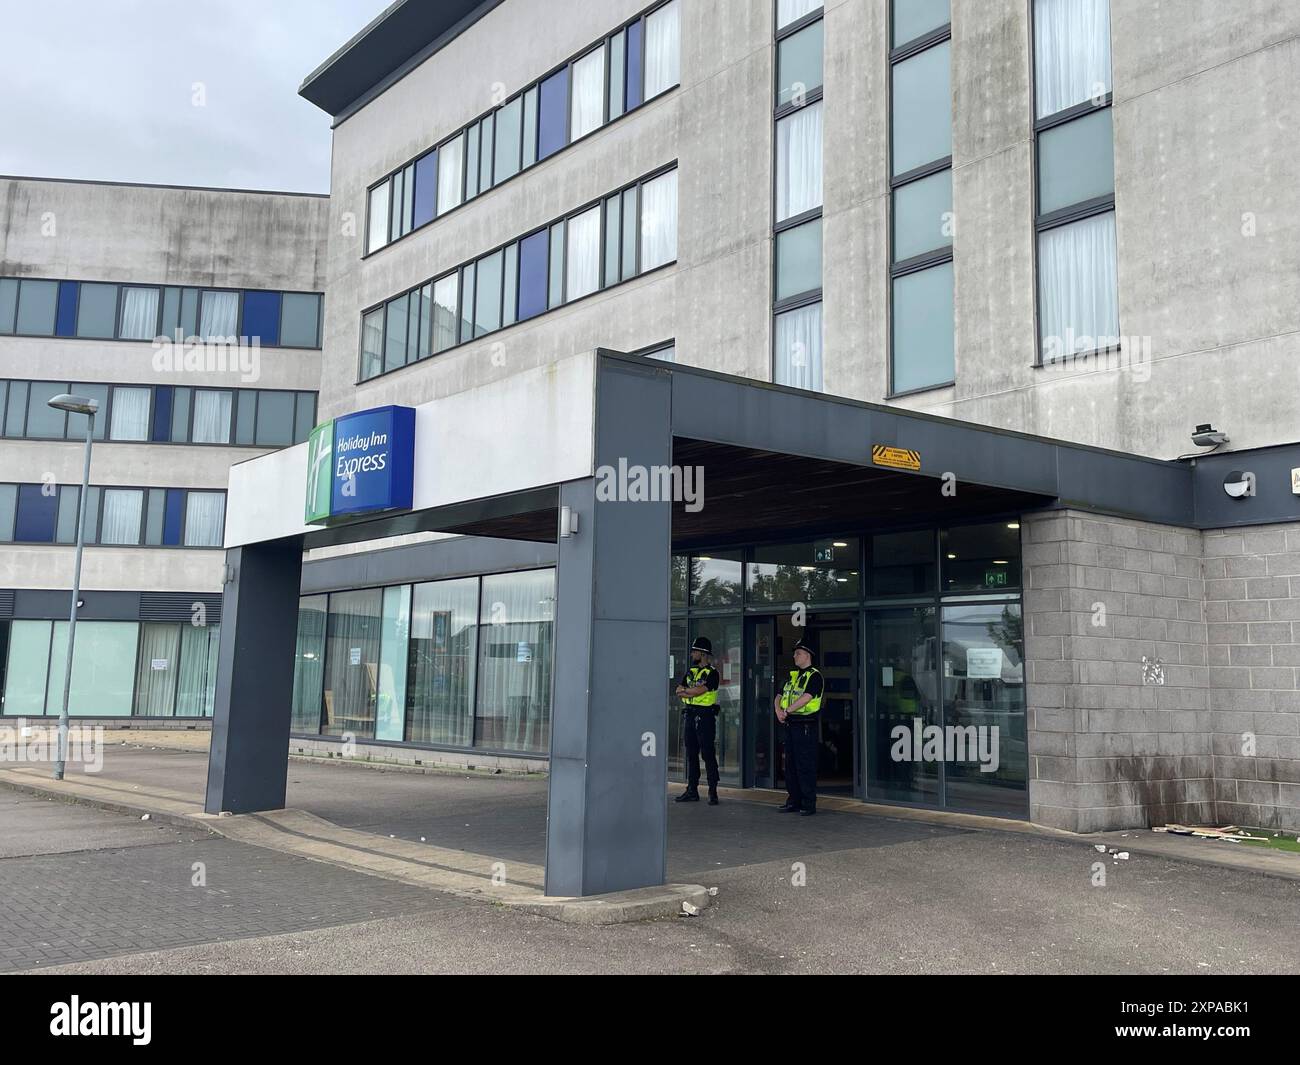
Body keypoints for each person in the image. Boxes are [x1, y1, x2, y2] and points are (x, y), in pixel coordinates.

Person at [774, 639, 823, 816]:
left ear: (807, 655)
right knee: (790, 766)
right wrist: (778, 710)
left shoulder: (815, 676)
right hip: (790, 725)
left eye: (798, 653)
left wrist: (786, 711)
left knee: (805, 765)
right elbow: (779, 695)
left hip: (805, 726)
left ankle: (808, 803)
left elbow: (807, 697)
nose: (794, 656)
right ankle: (793, 801)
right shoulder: (792, 675)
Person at [674, 636, 721, 805]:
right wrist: (689, 691)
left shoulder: (713, 673)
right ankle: (692, 790)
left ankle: (713, 790)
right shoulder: (691, 671)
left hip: (705, 717)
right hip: (690, 715)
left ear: (702, 653)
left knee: (707, 753)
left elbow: (701, 691)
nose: (692, 654)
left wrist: (689, 691)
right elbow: (679, 690)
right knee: (691, 754)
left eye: (694, 651)